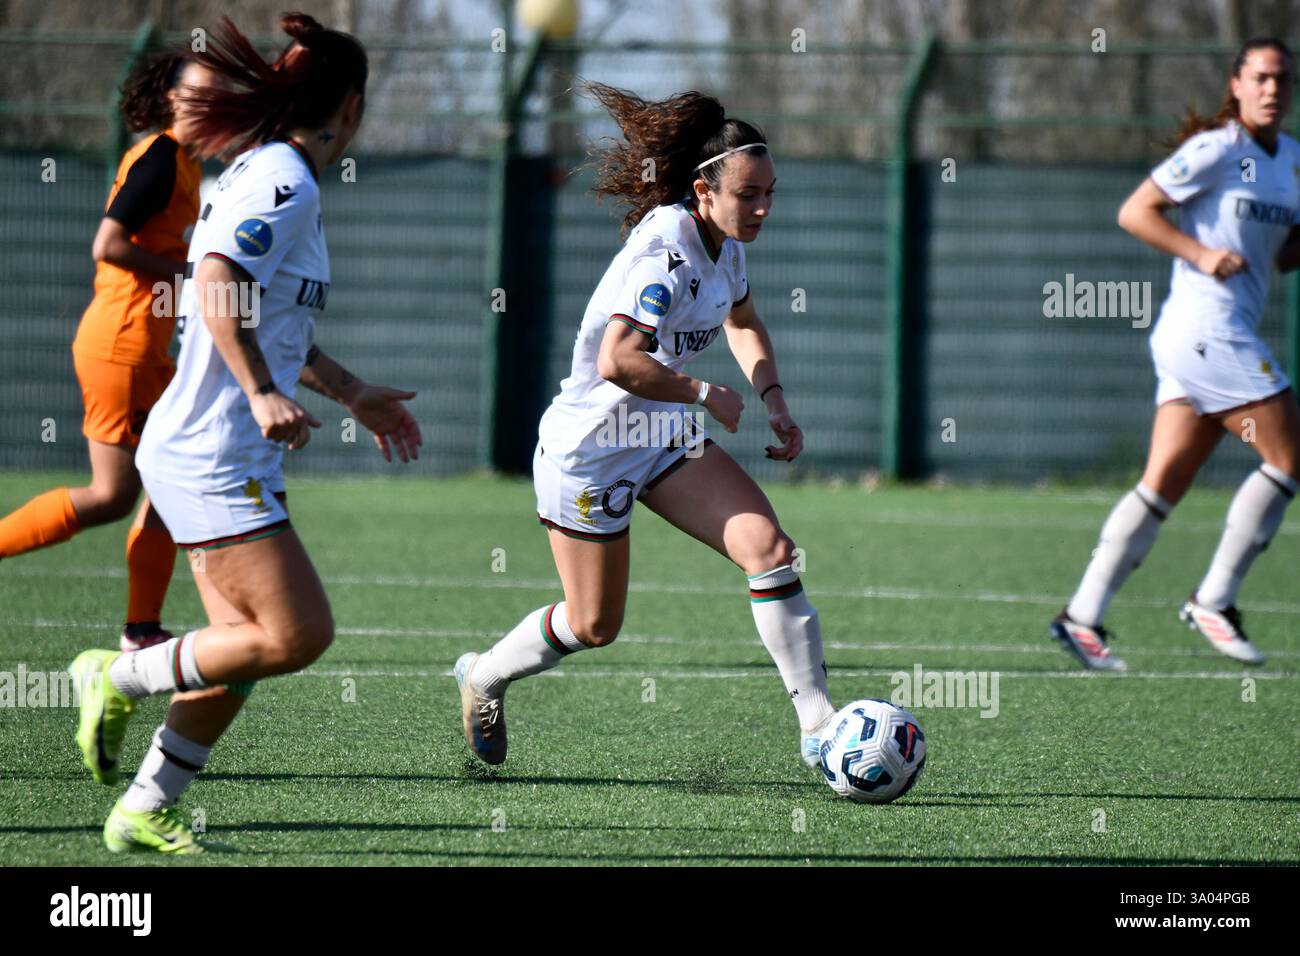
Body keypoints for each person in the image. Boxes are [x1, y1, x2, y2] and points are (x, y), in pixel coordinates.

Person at [68, 12, 422, 854]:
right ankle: (113, 674)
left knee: (244, 650)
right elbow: (219, 277)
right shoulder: (284, 180)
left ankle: (143, 805)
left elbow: (268, 317)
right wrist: (261, 391)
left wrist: (351, 392)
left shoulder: (270, 172)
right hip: (213, 451)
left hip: (215, 447)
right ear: (351, 106)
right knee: (297, 636)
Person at [453, 84, 834, 770]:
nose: (763, 207)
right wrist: (701, 391)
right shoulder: (666, 251)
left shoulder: (728, 245)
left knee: (771, 551)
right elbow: (619, 359)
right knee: (595, 624)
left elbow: (741, 321)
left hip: (660, 435)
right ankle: (486, 674)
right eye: (749, 194)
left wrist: (773, 396)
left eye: (769, 192)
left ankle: (819, 729)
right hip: (590, 451)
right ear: (703, 191)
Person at [1051, 37, 1300, 670]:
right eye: (1262, 78)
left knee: (1164, 483)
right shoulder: (1218, 148)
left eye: (1283, 80)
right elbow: (1135, 211)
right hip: (1206, 329)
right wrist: (1201, 254)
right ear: (1237, 84)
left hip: (1205, 338)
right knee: (1291, 455)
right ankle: (1215, 599)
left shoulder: (1292, 162)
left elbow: (1284, 256)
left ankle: (1082, 615)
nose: (1273, 89)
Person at [0, 53, 212, 651]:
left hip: (140, 344)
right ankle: (141, 628)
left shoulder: (187, 160)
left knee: (157, 482)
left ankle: (142, 628)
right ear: (171, 100)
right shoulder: (162, 158)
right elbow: (108, 244)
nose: (208, 104)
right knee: (116, 493)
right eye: (197, 94)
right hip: (122, 343)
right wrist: (186, 271)